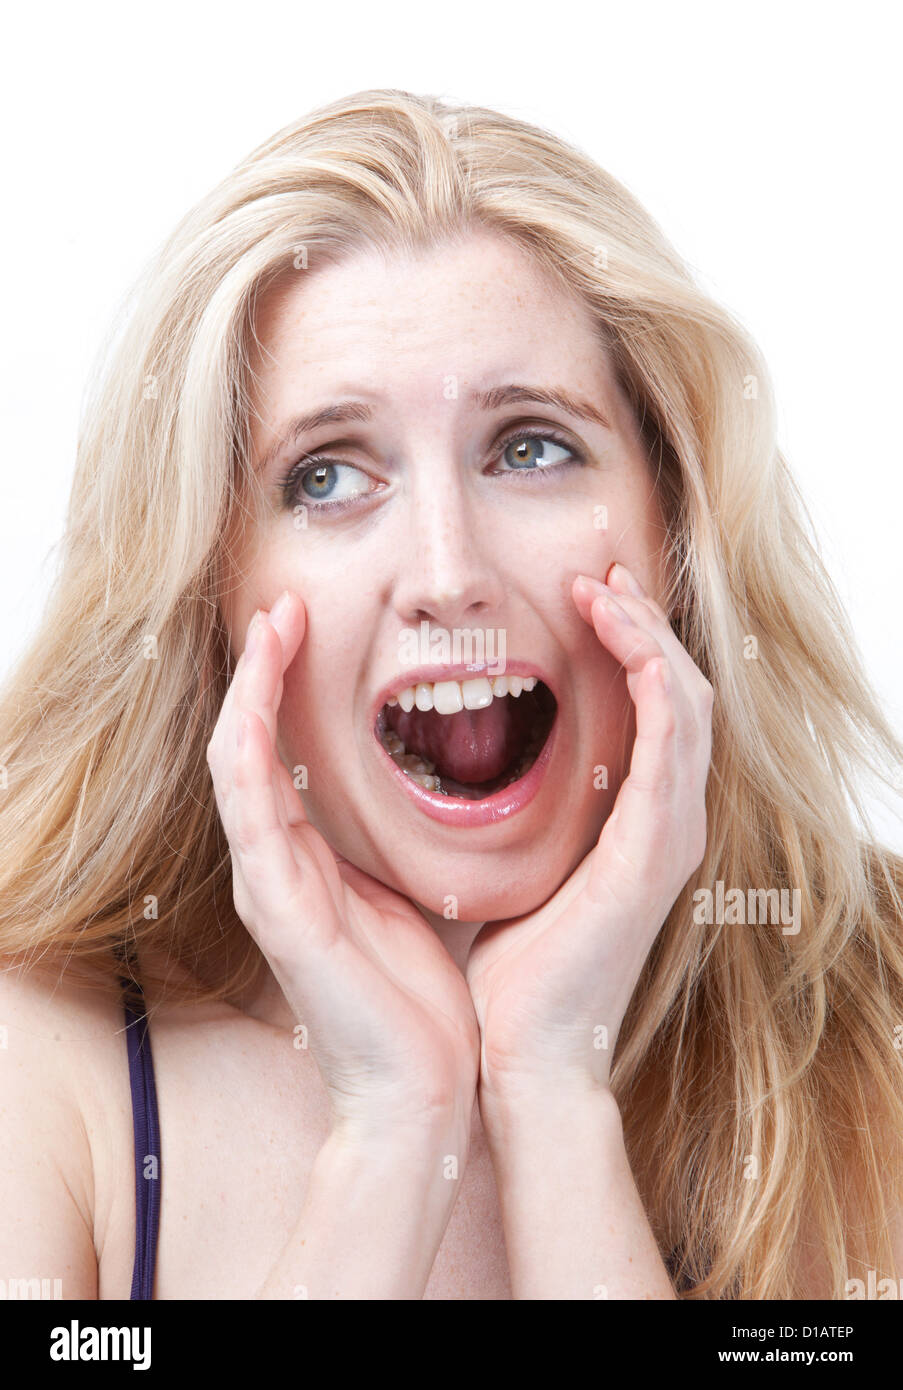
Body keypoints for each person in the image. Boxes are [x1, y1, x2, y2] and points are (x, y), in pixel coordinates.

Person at [1, 89, 901, 1301]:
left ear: (674, 531)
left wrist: (553, 1094)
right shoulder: (43, 1062)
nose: (447, 573)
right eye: (327, 475)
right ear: (212, 591)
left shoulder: (872, 1022)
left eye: (531, 446)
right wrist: (391, 1133)